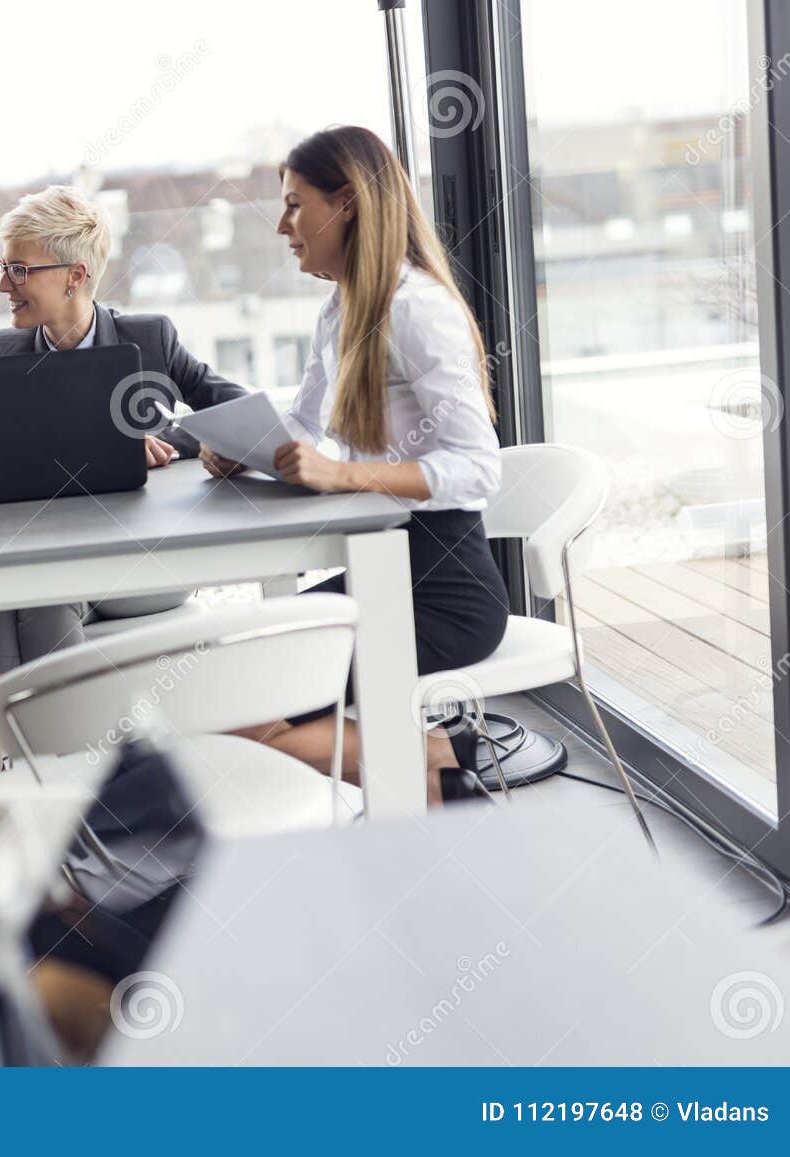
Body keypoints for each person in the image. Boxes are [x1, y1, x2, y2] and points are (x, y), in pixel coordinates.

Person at [204, 126, 509, 805]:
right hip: (380, 570)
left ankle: (433, 764)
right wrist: (245, 447)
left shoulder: (417, 310)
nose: (282, 225)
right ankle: (437, 766)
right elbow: (306, 427)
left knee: (232, 700)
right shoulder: (339, 309)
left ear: (345, 203)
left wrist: (342, 474)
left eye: (294, 204)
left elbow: (478, 468)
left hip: (444, 590)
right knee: (224, 680)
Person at [0, 186, 249, 787]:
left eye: (20, 269)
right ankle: (74, 769)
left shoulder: (149, 338)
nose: (4, 284)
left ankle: (10, 755)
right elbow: (1, 455)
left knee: (33, 585)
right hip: (59, 559)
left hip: (146, 563)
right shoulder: (7, 349)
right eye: (2, 267)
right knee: (24, 581)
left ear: (75, 275)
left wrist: (164, 439)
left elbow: (241, 415)